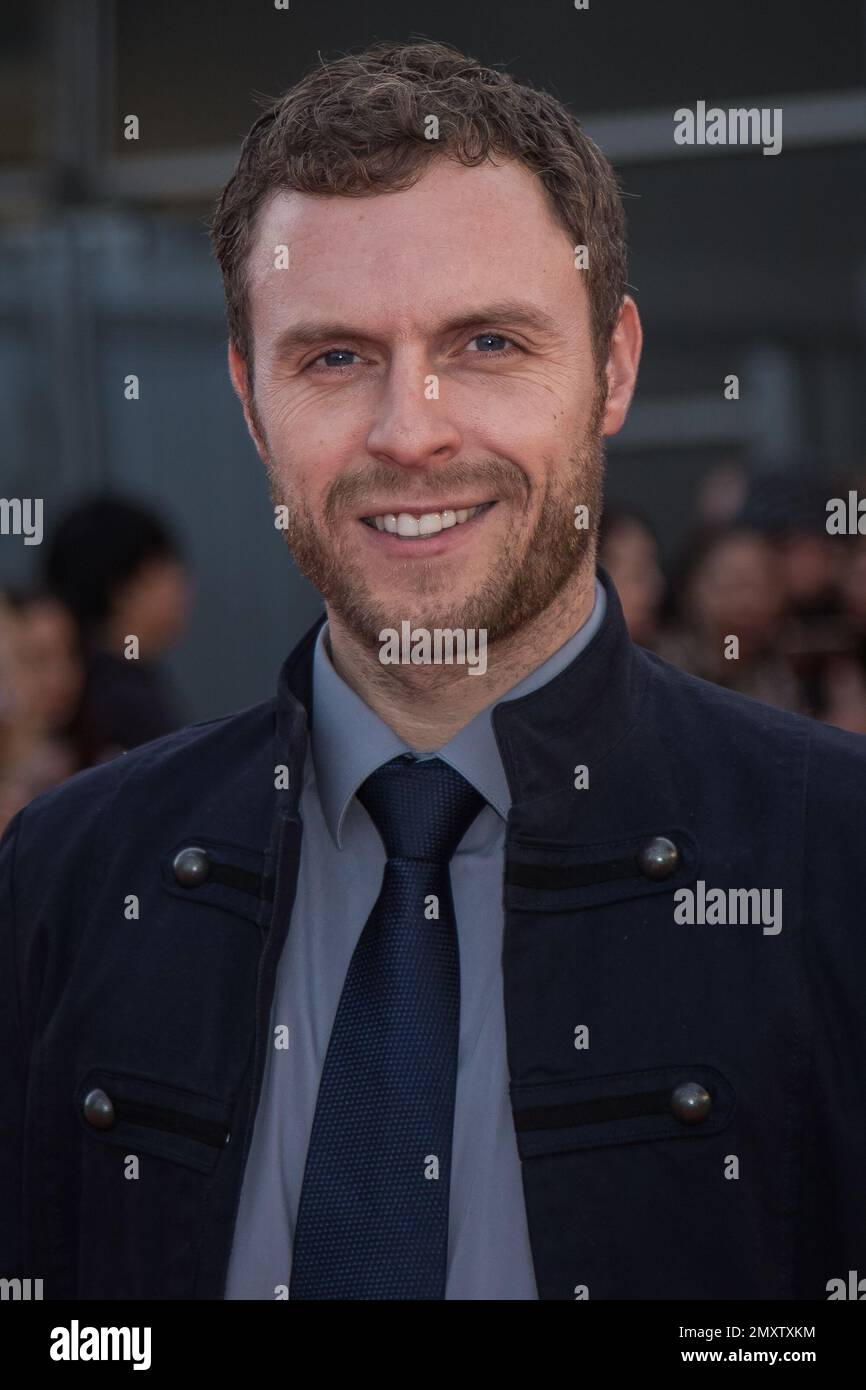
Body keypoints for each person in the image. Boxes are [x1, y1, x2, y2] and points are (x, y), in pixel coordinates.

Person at [1, 40, 865, 1303]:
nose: (411, 431)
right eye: (334, 358)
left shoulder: (835, 861)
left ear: (611, 367)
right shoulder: (66, 882)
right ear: (249, 399)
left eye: (488, 344)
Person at [43, 497, 192, 766]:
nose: (182, 589)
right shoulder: (120, 700)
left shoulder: (106, 681)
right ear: (124, 588)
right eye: (165, 570)